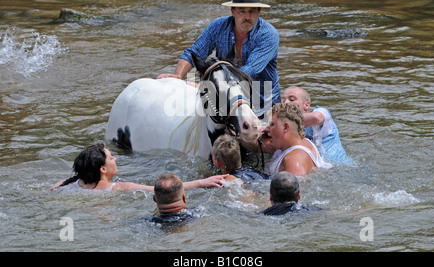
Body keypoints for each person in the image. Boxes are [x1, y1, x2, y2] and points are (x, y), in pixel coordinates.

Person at [157, 0, 281, 116]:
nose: (247, 17)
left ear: (259, 12)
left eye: (252, 11)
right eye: (242, 11)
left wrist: (206, 87)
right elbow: (193, 53)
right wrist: (178, 77)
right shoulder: (218, 26)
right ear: (232, 11)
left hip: (262, 102)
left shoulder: (268, 35)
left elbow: (248, 71)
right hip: (226, 96)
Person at [50, 144, 228, 192]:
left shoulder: (64, 184)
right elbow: (160, 189)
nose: (115, 158)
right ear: (102, 169)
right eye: (111, 158)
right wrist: (203, 182)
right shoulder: (119, 187)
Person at [281, 86, 350, 164]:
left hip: (341, 167)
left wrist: (281, 120)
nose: (285, 103)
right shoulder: (284, 126)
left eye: (292, 99)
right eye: (283, 100)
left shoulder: (322, 112)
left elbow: (316, 118)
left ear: (307, 105)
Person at [264, 103, 332, 176]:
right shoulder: (306, 142)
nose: (267, 129)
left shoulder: (294, 159)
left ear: (285, 127)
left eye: (272, 124)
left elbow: (297, 186)